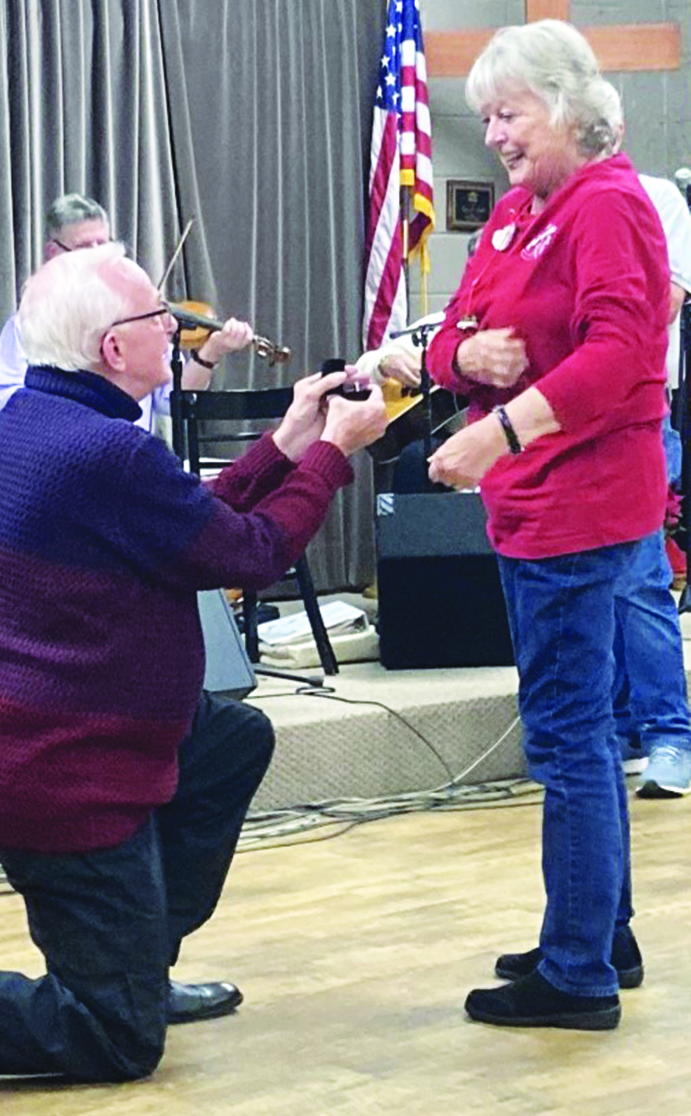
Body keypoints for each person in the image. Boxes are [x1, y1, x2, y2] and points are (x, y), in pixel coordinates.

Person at [0, 241, 388, 1107]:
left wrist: (287, 441)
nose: (175, 326)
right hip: (58, 762)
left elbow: (190, 526)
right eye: (155, 317)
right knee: (111, 1039)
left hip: (49, 729)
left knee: (232, 739)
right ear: (112, 349)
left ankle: (135, 961)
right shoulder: (104, 451)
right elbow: (250, 553)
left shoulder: (35, 422)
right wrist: (335, 451)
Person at [424, 21, 669, 1030]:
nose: (496, 135)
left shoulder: (611, 207)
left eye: (510, 113)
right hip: (537, 509)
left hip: (580, 504)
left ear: (568, 105)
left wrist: (502, 434)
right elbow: (451, 335)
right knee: (584, 735)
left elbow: (620, 357)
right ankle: (598, 933)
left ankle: (577, 976)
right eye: (485, 117)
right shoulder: (522, 217)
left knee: (567, 742)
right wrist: (463, 365)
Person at [0, 192, 254, 430]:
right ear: (54, 252)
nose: (99, 256)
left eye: (104, 244)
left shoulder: (142, 318)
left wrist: (210, 353)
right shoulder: (30, 323)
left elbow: (173, 400)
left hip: (130, 459)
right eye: (85, 248)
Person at [608, 117, 691, 796]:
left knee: (637, 579)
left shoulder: (658, 199)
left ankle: (669, 736)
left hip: (636, 418)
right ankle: (610, 727)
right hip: (557, 428)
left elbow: (660, 306)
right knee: (582, 589)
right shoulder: (540, 214)